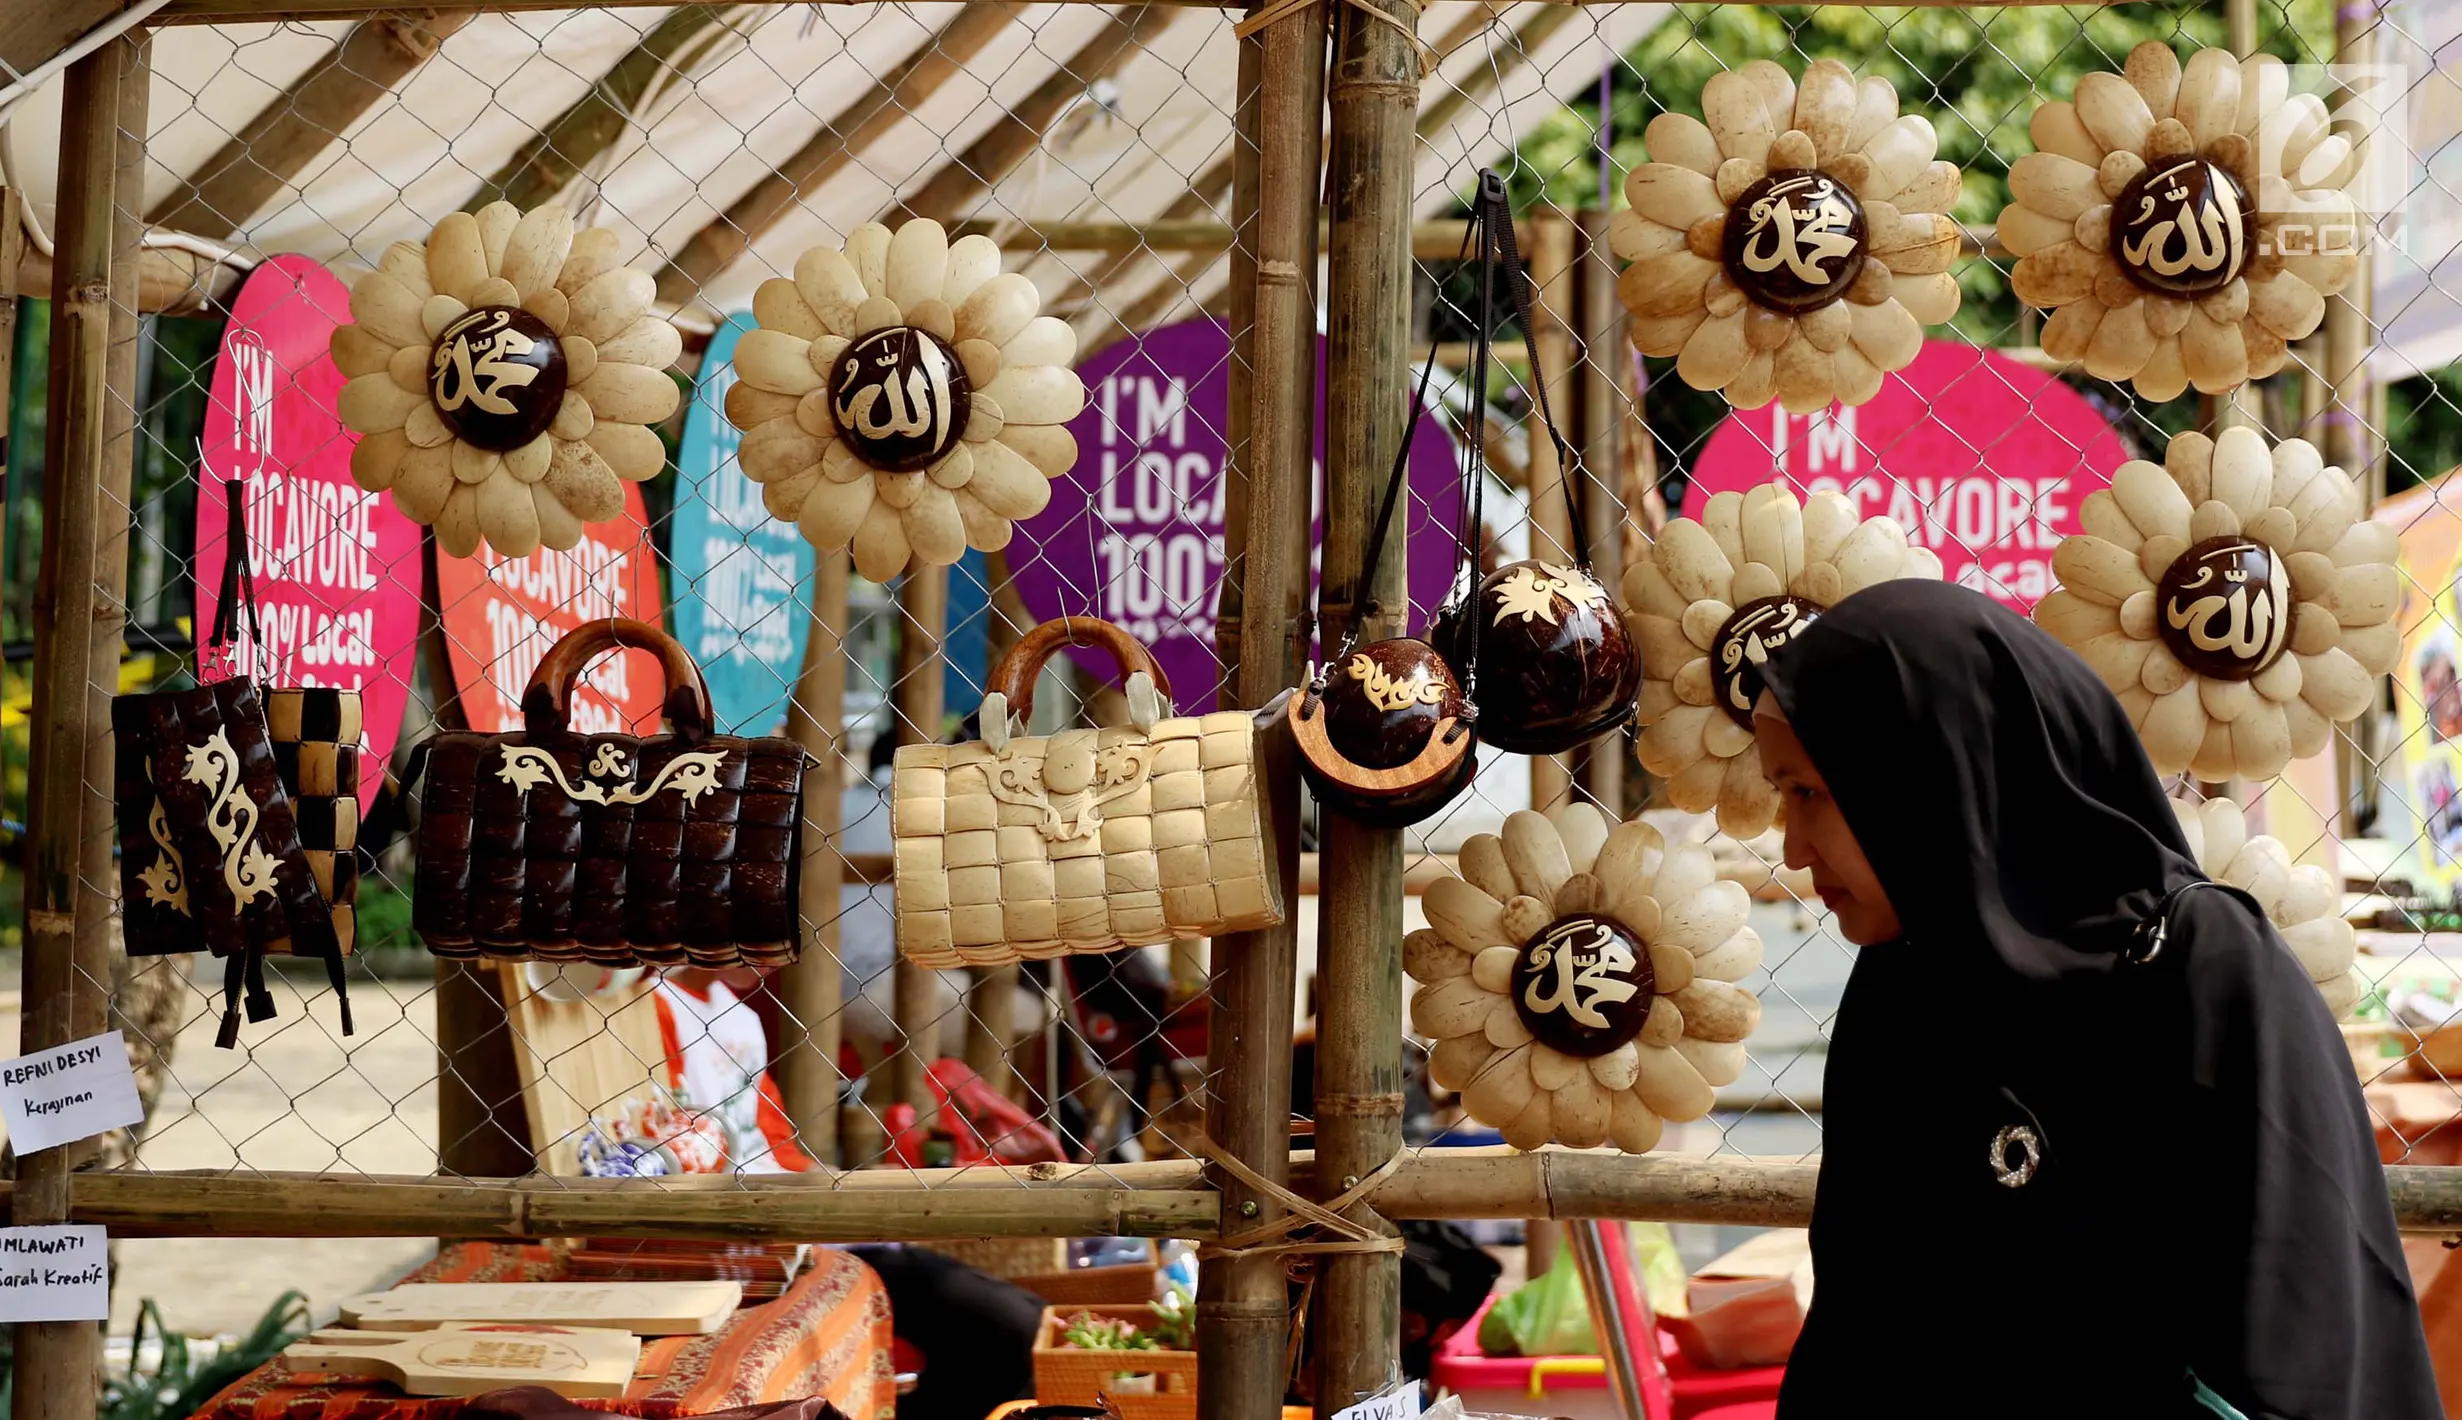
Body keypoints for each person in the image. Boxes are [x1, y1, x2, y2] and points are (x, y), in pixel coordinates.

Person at [1749, 579, 2436, 1418]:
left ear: (1933, 768)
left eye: (1810, 793)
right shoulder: (1901, 993)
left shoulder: (2204, 975)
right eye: (1784, 797)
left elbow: (2301, 1350)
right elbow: (1859, 1337)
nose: (1790, 846)